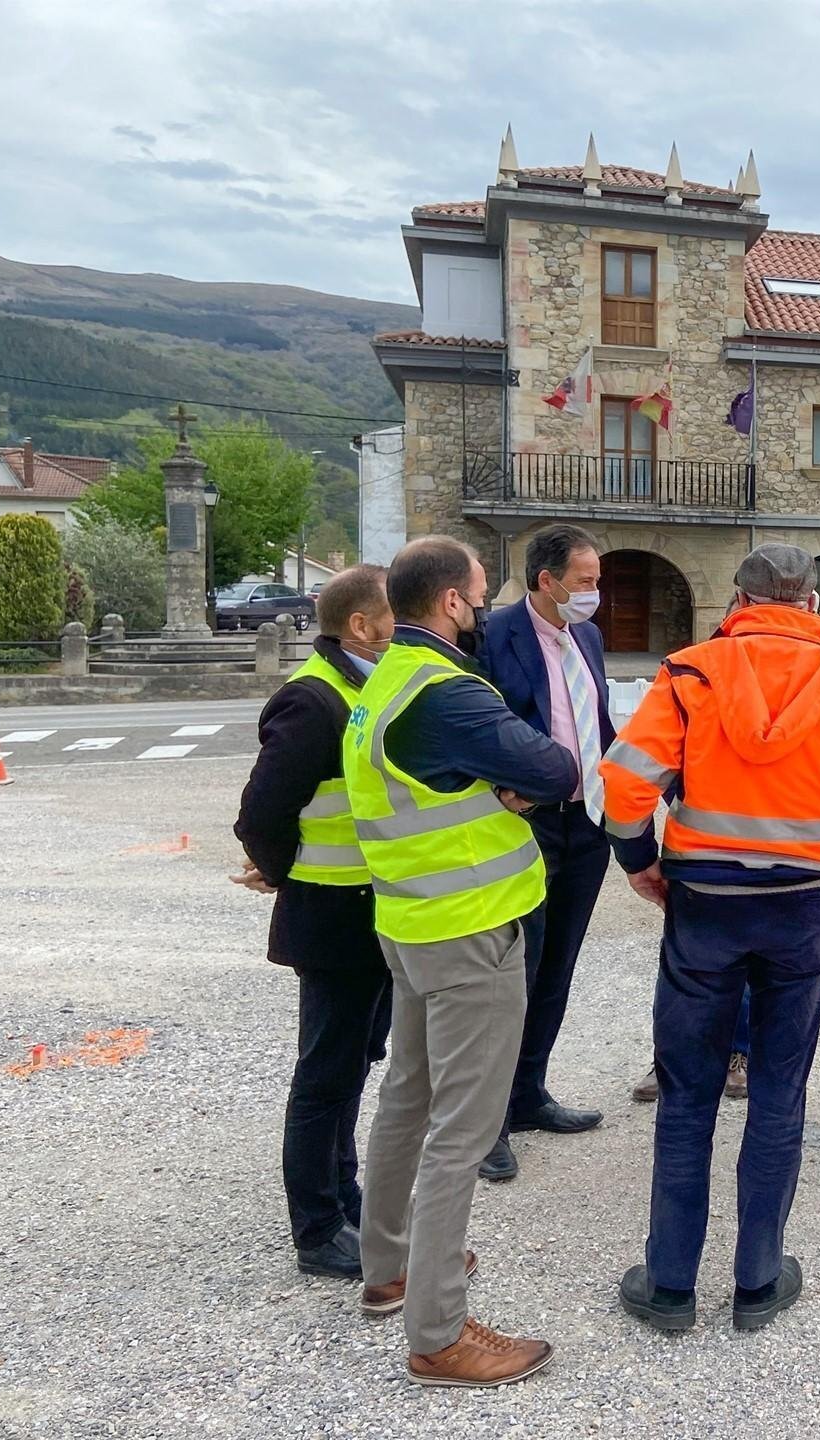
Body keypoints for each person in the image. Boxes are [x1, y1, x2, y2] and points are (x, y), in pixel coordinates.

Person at [601, 543, 820, 1335]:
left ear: (737, 601)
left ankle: (670, 1283)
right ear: (813, 603)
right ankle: (757, 1279)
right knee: (780, 1090)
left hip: (705, 902)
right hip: (807, 908)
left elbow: (625, 782)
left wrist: (640, 862)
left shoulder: (688, 675)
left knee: (687, 1091)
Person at [346, 537, 578, 1387]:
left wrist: (496, 783)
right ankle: (438, 1332)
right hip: (472, 930)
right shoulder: (447, 692)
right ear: (450, 601)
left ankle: (390, 1268)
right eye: (480, 595)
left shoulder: (384, 683)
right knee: (463, 1131)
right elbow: (554, 765)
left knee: (409, 1094)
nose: (486, 608)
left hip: (410, 923)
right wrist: (515, 784)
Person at [231, 564, 395, 1281]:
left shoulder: (364, 689)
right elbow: (260, 815)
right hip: (331, 915)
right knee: (325, 1074)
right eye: (399, 614)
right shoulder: (313, 701)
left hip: (367, 912)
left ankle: (346, 1197)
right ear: (361, 626)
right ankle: (318, 1227)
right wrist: (281, 868)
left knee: (353, 1065)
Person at [475, 525, 627, 1184]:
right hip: (526, 826)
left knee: (559, 966)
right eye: (587, 581)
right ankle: (487, 1125)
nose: (595, 594)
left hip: (585, 825)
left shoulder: (586, 636)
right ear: (547, 579)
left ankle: (529, 1093)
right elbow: (476, 724)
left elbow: (597, 723)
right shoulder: (492, 637)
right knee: (517, 975)